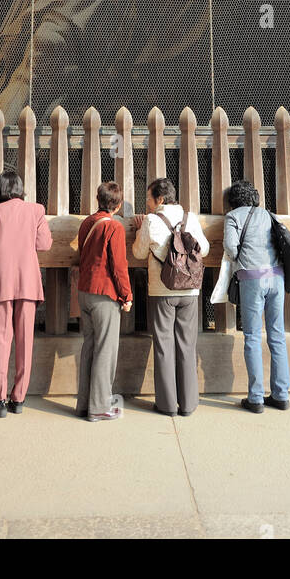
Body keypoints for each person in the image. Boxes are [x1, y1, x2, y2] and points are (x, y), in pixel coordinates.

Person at [131, 177, 209, 416]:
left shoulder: (152, 221)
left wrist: (138, 230)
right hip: (190, 291)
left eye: (149, 199)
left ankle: (166, 405)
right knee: (187, 345)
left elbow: (138, 252)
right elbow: (204, 249)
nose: (147, 204)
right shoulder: (190, 218)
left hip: (162, 291)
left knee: (164, 346)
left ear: (160, 199)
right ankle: (189, 404)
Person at [0, 168, 53, 416]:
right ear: (20, 188)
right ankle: (18, 398)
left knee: (0, 340)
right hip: (28, 281)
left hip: (0, 280)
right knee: (25, 341)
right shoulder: (36, 210)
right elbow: (44, 244)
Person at [223, 179, 290, 413]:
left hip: (252, 278)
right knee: (277, 335)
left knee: (252, 337)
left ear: (232, 200)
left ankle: (256, 398)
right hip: (277, 277)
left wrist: (240, 260)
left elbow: (230, 247)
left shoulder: (233, 217)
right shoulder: (269, 215)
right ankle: (281, 395)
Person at [74, 181, 133, 422]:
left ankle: (84, 404)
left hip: (85, 291)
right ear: (117, 205)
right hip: (105, 293)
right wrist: (126, 296)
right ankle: (99, 408)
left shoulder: (87, 223)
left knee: (89, 346)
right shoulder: (114, 228)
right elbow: (119, 266)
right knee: (105, 351)